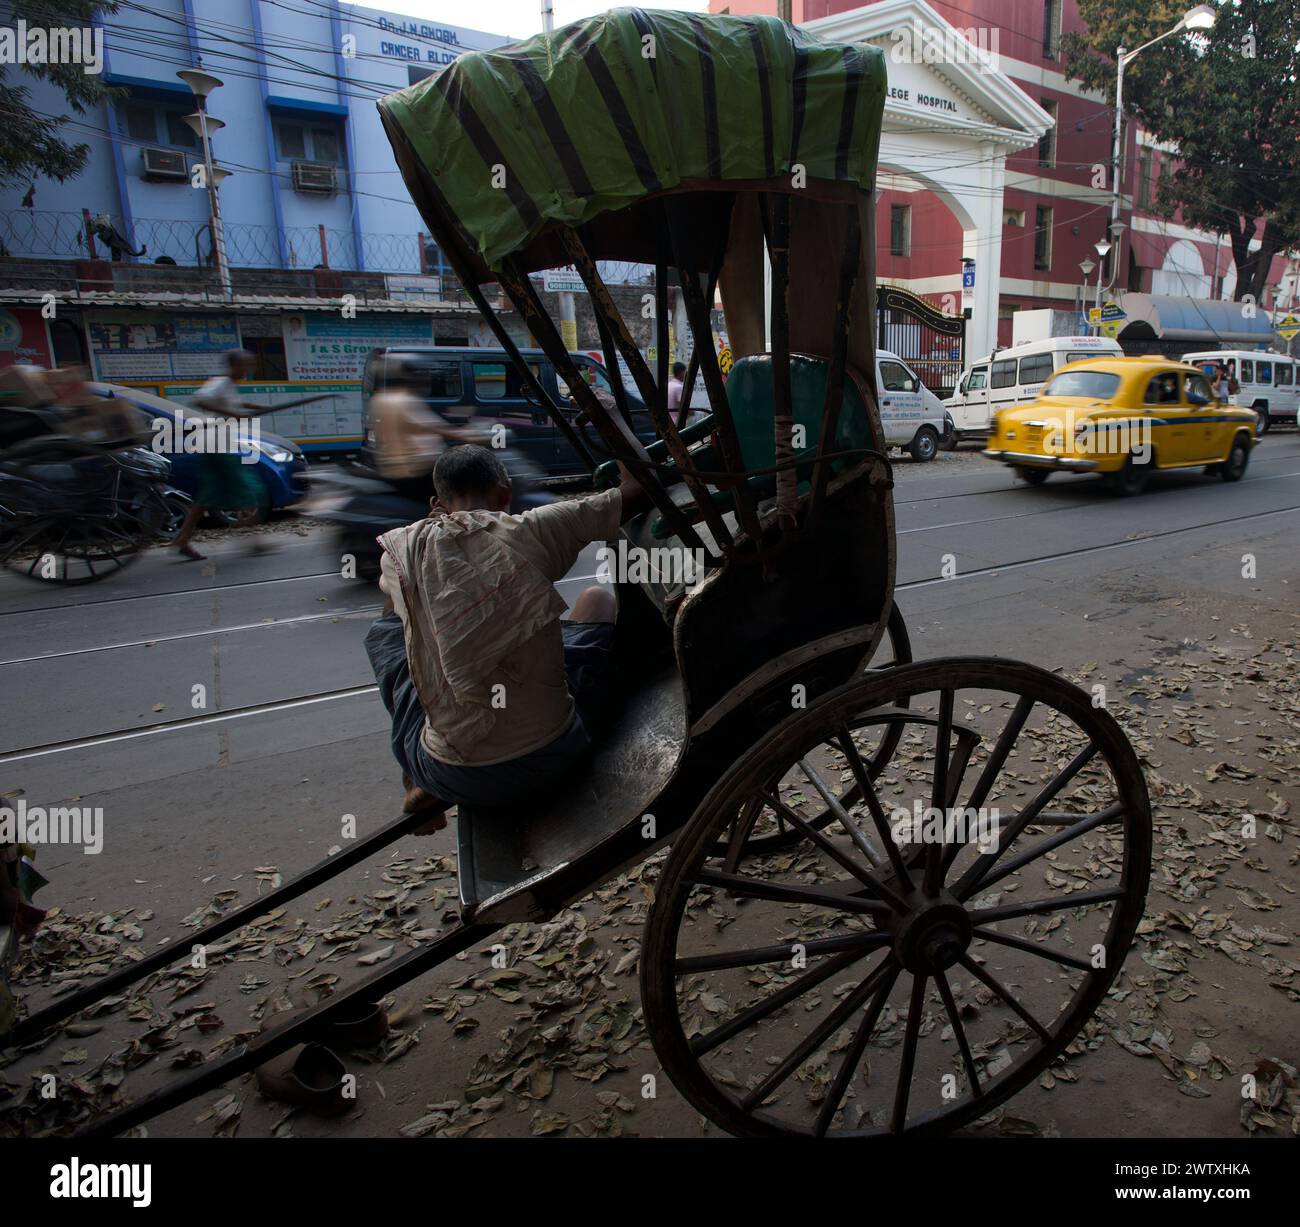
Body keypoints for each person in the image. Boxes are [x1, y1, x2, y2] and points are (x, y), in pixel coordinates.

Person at [364, 444, 647, 831]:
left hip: (453, 774)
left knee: (388, 637)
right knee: (597, 599)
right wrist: (615, 429)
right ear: (505, 492)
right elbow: (638, 491)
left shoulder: (402, 551)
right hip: (555, 752)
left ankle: (412, 778)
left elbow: (396, 627)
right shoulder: (536, 528)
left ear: (437, 503)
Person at [175, 350, 278, 561]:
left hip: (216, 445)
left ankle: (182, 540)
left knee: (207, 497)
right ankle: (254, 540)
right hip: (217, 446)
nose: (249, 370)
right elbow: (199, 400)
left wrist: (257, 407)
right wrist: (235, 415)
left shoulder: (228, 386)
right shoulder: (220, 383)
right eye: (246, 365)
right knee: (250, 488)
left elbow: (232, 405)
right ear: (234, 365)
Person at [368, 359, 465, 504]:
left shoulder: (379, 399)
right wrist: (467, 435)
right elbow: (433, 426)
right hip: (416, 471)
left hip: (390, 469)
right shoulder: (403, 400)